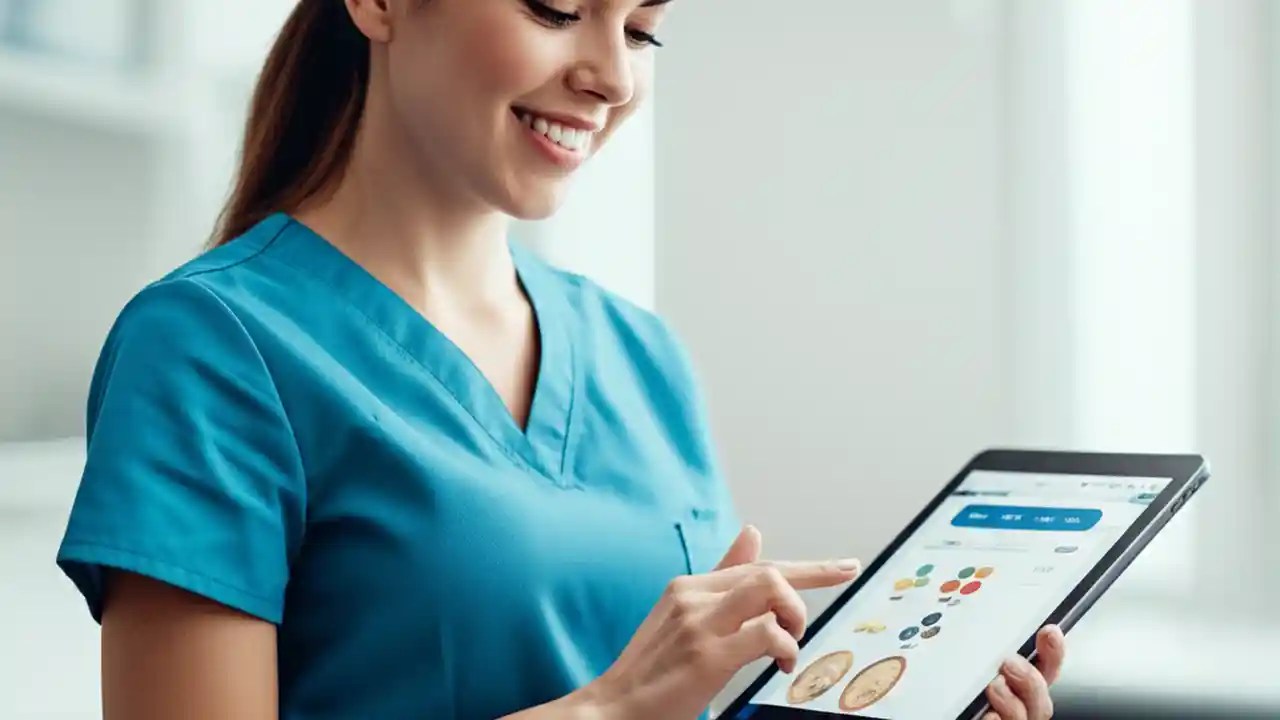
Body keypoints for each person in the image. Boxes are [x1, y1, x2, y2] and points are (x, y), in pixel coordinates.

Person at [55, 0, 1066, 718]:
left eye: (640, 28)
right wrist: (611, 710)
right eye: (553, 10)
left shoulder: (642, 355)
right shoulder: (212, 346)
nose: (612, 75)